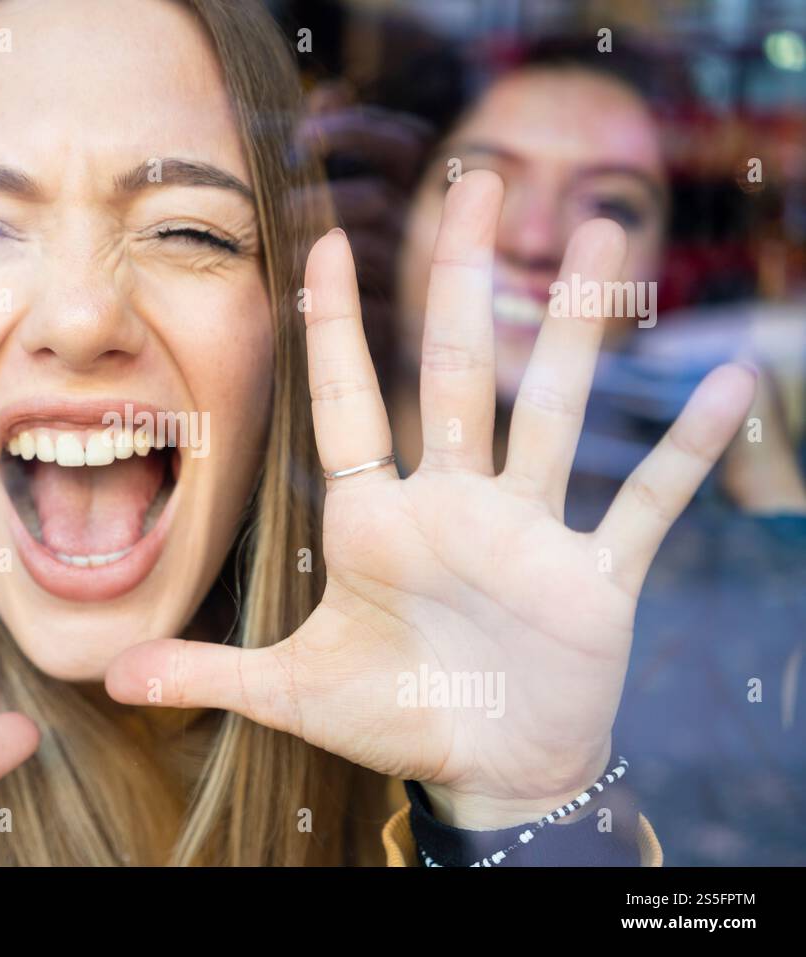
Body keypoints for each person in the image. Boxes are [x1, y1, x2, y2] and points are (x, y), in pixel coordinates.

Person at [0, 0, 755, 866]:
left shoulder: (409, 767)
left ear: (288, 334)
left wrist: (526, 818)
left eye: (193, 232)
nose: (84, 312)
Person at [309, 27, 806, 864]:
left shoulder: (721, 582)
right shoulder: (251, 517)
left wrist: (779, 522)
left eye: (610, 206)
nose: (536, 238)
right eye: (480, 182)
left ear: (666, 283)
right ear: (394, 221)